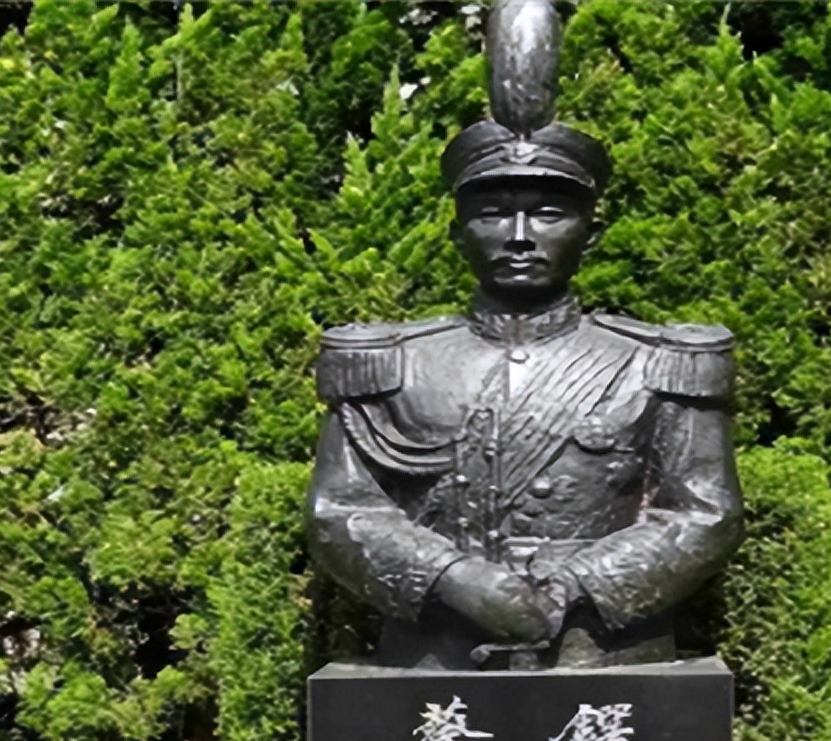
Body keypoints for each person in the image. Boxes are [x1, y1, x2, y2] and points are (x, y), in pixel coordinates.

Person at [306, 0, 743, 670]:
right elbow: (341, 512)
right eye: (490, 213)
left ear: (589, 233)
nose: (518, 236)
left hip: (603, 655)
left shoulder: (655, 363)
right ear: (457, 231)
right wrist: (455, 580)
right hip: (437, 655)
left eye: (547, 214)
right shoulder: (393, 363)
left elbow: (703, 515)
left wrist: (573, 587)